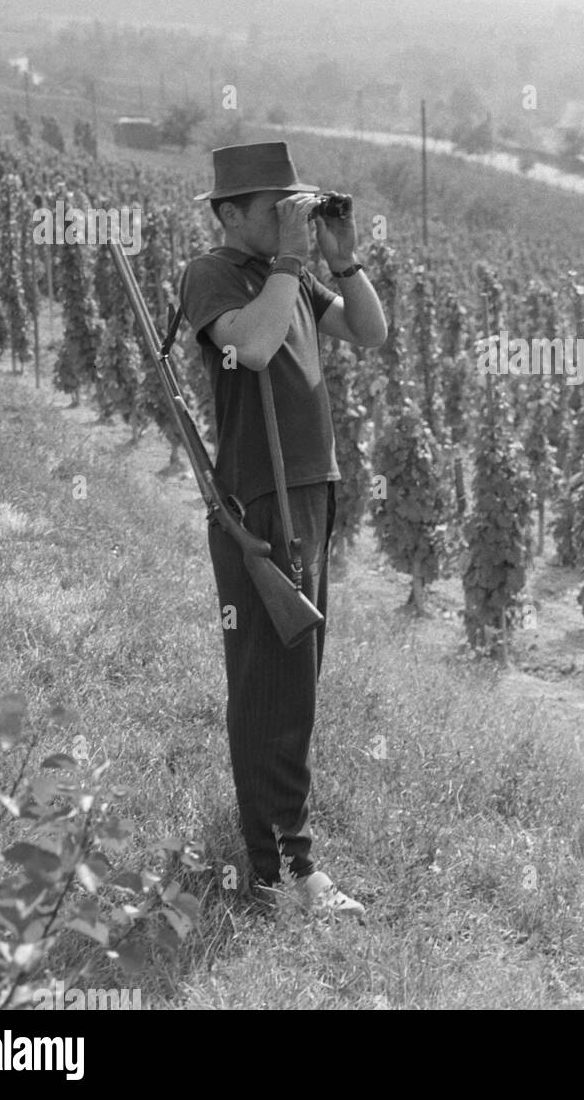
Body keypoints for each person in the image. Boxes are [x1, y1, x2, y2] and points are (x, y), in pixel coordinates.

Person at [178, 141, 387, 918]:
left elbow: (370, 333)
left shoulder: (289, 276)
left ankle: (280, 857)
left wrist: (343, 259)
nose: (288, 219)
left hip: (309, 491)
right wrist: (292, 264)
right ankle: (281, 871)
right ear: (230, 214)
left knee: (296, 677)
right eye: (276, 208)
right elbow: (253, 348)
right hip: (259, 499)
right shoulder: (215, 274)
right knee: (272, 681)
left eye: (295, 205)